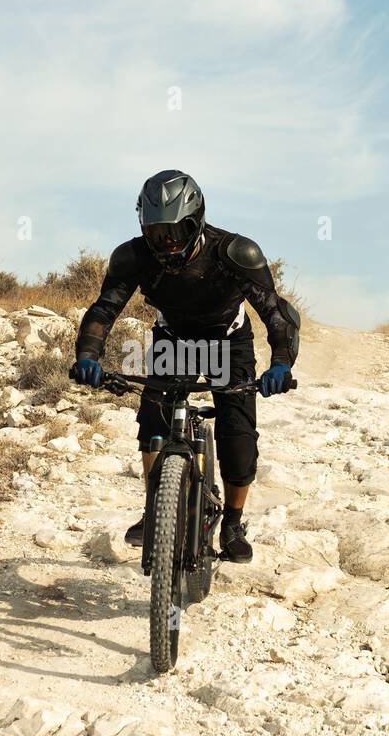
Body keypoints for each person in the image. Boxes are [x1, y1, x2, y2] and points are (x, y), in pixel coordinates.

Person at [68, 169, 300, 563]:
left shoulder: (235, 252)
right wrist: (87, 357)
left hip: (229, 342)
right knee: (153, 419)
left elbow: (277, 314)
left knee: (237, 434)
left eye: (178, 230)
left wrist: (279, 364)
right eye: (158, 233)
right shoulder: (133, 257)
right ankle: (155, 510)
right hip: (174, 340)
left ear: (198, 220)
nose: (168, 243)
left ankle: (232, 523)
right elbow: (104, 309)